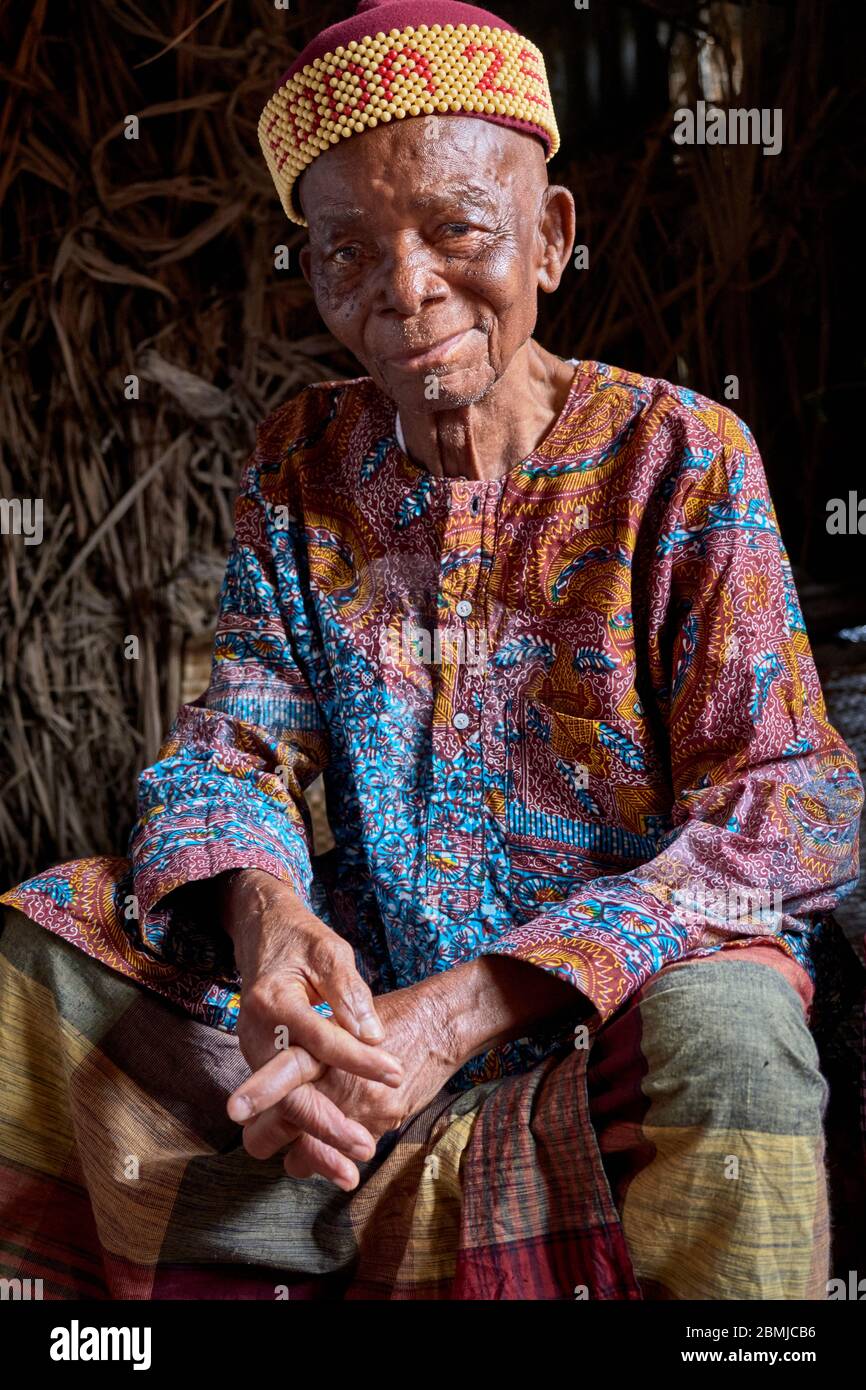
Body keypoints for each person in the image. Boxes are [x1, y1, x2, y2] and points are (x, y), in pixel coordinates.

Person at [1, 0, 862, 1300]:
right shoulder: (300, 461)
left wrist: (471, 1003)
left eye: (457, 230)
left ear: (550, 236)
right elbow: (231, 745)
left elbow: (786, 803)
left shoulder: (678, 458)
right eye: (346, 251)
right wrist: (273, 921)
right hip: (373, 984)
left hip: (607, 1009)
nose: (403, 291)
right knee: (46, 938)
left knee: (734, 1031)